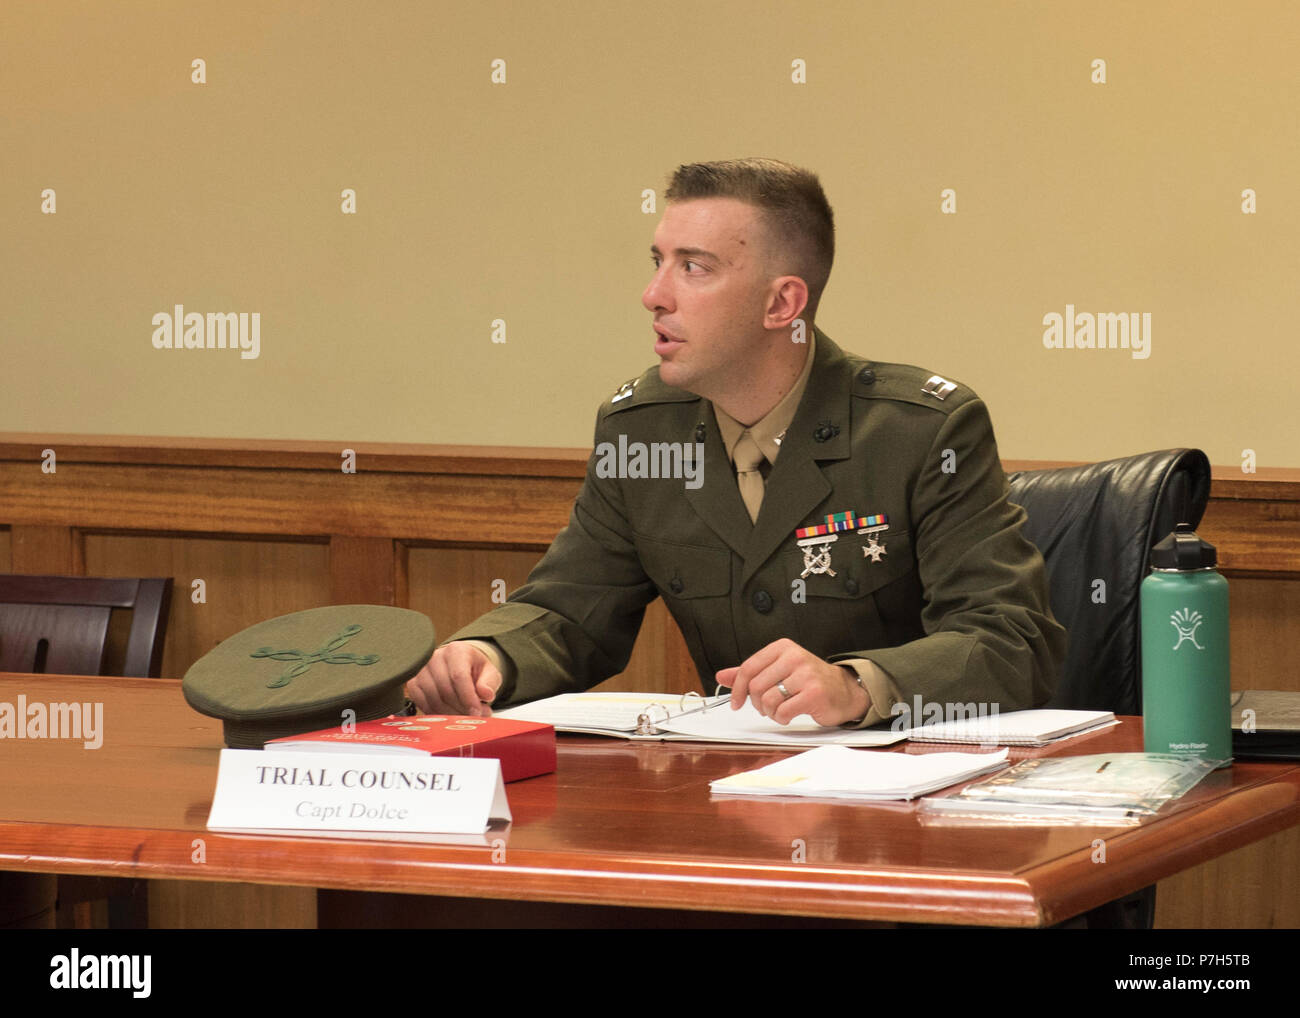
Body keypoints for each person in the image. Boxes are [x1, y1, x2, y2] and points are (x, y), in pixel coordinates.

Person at [408, 158, 1066, 728]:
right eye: (658, 262)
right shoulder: (643, 429)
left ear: (782, 304)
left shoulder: (919, 430)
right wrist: (486, 657)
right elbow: (571, 611)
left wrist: (860, 684)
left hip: (912, 800)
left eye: (693, 268)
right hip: (731, 791)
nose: (653, 296)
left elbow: (1013, 641)